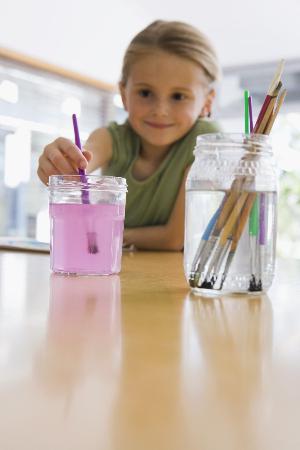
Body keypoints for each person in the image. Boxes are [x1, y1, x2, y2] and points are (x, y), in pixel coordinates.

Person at [38, 20, 222, 251]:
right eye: (145, 93)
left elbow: (175, 238)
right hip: (117, 273)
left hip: (174, 282)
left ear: (207, 102)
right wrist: (63, 166)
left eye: (178, 96)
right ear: (124, 93)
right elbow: (83, 162)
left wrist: (104, 232)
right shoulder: (110, 138)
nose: (160, 110)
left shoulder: (205, 141)